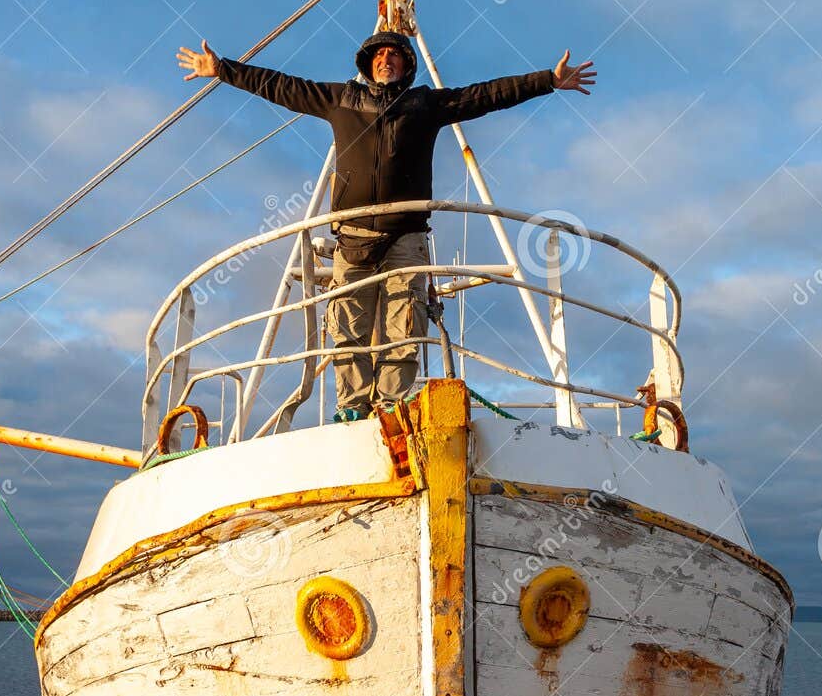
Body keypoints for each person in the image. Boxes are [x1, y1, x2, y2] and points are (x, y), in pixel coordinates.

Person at [177, 31, 596, 420]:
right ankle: (353, 408)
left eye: (394, 54)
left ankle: (390, 409)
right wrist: (222, 69)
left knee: (405, 325)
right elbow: (282, 86)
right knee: (348, 327)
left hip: (407, 238)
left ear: (407, 64)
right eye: (378, 54)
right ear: (367, 63)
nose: (386, 59)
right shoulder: (338, 99)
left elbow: (485, 96)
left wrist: (547, 80)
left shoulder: (426, 105)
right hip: (353, 237)